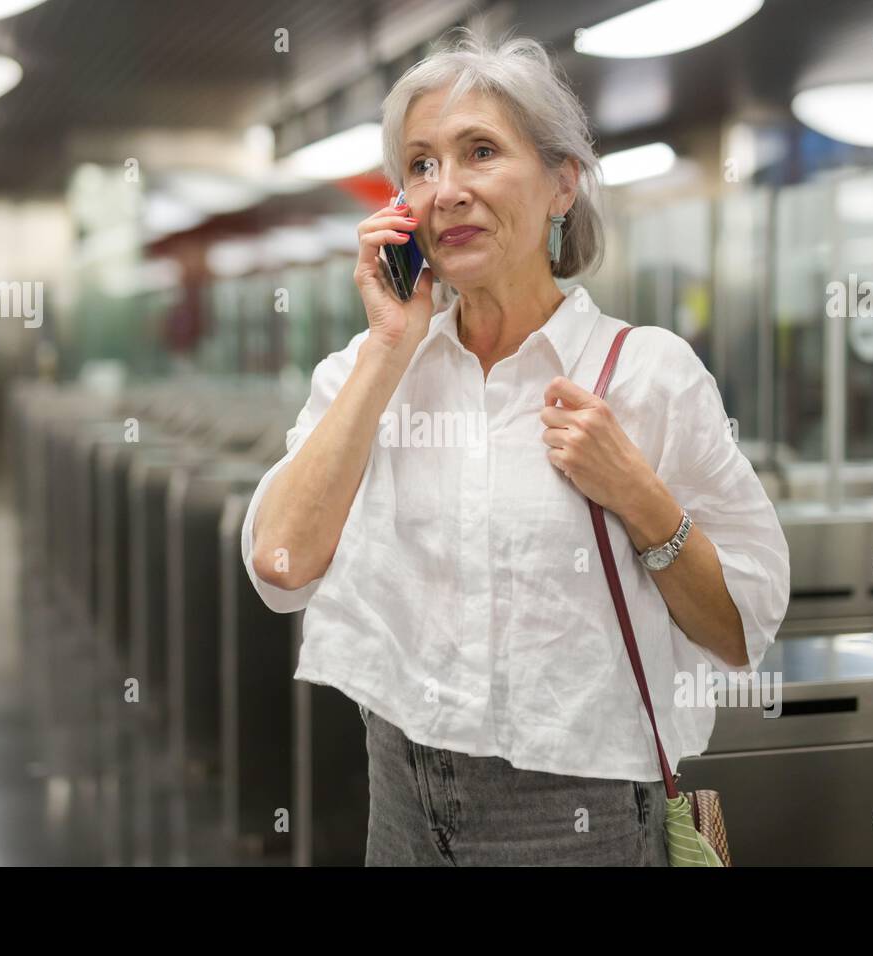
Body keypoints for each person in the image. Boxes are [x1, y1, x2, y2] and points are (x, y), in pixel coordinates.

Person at [242, 27, 789, 866]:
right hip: (400, 799)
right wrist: (388, 348)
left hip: (579, 815)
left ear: (562, 183)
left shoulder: (648, 376)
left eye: (481, 152)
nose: (446, 190)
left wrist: (641, 498)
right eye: (420, 166)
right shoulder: (372, 369)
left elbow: (742, 629)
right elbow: (280, 564)